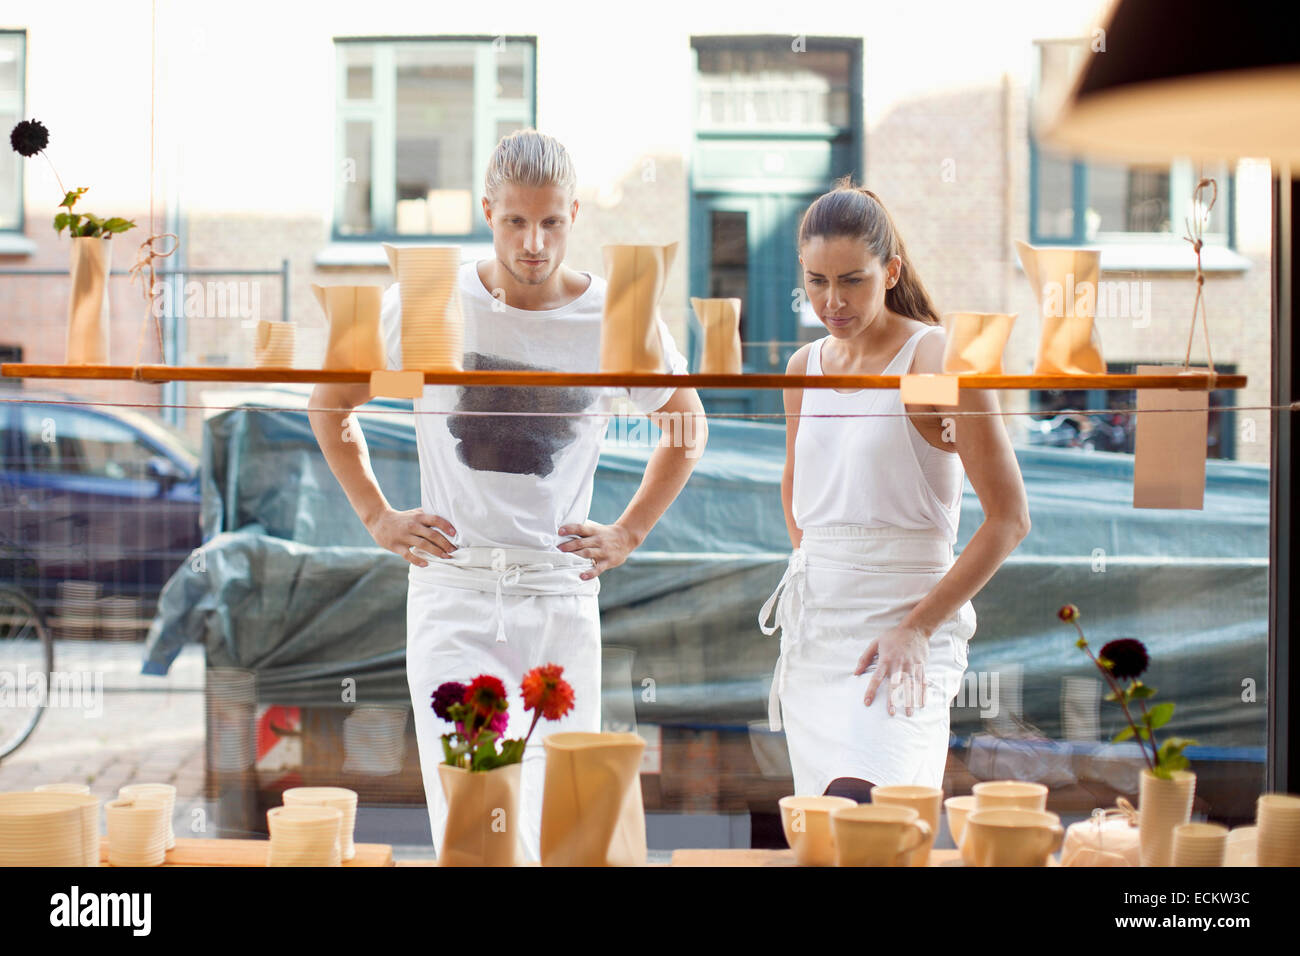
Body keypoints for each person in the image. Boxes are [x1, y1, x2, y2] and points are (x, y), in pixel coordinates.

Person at [308, 128, 707, 860]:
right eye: (515, 221)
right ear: (488, 211)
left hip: (558, 597)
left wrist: (629, 533)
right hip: (453, 592)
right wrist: (376, 515)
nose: (533, 243)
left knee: (563, 825)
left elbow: (686, 427)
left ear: (576, 214)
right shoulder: (432, 298)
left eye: (551, 221)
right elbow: (330, 401)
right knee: (474, 811)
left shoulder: (615, 312)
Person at [759, 177, 1030, 800]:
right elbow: (796, 488)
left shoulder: (931, 362)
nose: (833, 301)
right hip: (819, 639)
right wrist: (824, 569)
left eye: (852, 279)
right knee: (826, 833)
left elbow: (1008, 519)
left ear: (890, 271)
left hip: (906, 633)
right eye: (817, 281)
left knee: (867, 814)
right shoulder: (804, 369)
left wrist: (917, 626)